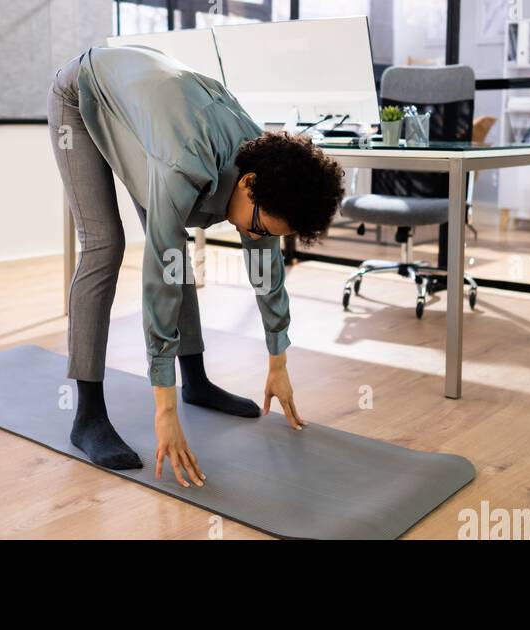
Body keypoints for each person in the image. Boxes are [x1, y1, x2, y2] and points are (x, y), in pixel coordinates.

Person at [47, 45, 344, 488]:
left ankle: (197, 382)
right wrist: (163, 410)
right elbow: (162, 278)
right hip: (83, 94)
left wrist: (277, 359)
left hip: (155, 110)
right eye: (261, 226)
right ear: (248, 184)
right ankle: (87, 414)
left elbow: (264, 261)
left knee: (175, 247)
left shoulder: (261, 164)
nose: (258, 238)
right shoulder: (185, 163)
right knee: (106, 246)